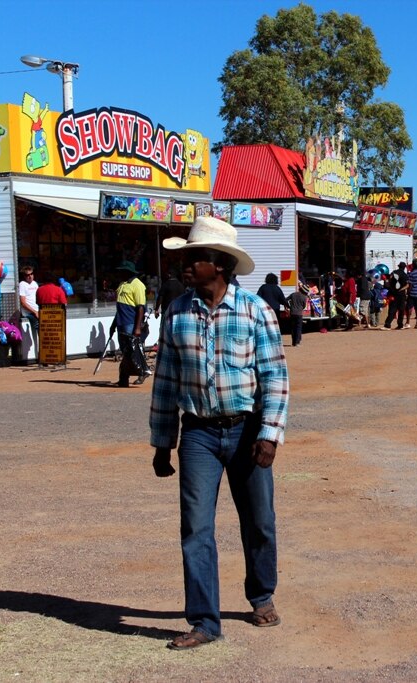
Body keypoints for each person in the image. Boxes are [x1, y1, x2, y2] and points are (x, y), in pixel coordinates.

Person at [150, 216, 289, 648]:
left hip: (246, 430)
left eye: (196, 258)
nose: (186, 265)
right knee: (195, 528)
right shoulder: (177, 313)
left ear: (221, 265)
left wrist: (268, 434)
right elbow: (166, 383)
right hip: (198, 435)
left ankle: (261, 595)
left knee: (259, 521)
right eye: (187, 258)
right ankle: (204, 622)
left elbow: (274, 376)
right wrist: (162, 443)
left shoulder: (255, 311)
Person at [110, 261, 147, 387]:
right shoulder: (122, 285)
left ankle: (141, 372)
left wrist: (137, 327)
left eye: (121, 271)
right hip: (121, 322)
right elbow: (119, 307)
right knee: (125, 351)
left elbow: (140, 307)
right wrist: (113, 325)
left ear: (128, 272)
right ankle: (124, 378)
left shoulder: (138, 285)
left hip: (131, 323)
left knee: (132, 351)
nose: (119, 273)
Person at [382, 262, 408, 330]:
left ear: (399, 266)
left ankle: (387, 325)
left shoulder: (394, 273)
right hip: (402, 294)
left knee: (392, 310)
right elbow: (407, 285)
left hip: (393, 293)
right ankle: (400, 325)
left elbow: (389, 281)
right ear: (404, 267)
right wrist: (401, 289)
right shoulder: (405, 275)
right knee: (401, 310)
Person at [18, 265, 39, 337]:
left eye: (31, 274)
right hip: (29, 313)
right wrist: (34, 312)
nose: (30, 276)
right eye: (27, 275)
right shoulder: (22, 284)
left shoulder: (35, 283)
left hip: (37, 311)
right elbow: (23, 302)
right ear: (24, 276)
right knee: (39, 326)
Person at [405, 260, 417, 329]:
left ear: (413, 265)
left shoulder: (411, 274)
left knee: (409, 308)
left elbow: (410, 284)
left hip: (412, 292)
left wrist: (408, 292)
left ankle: (408, 322)